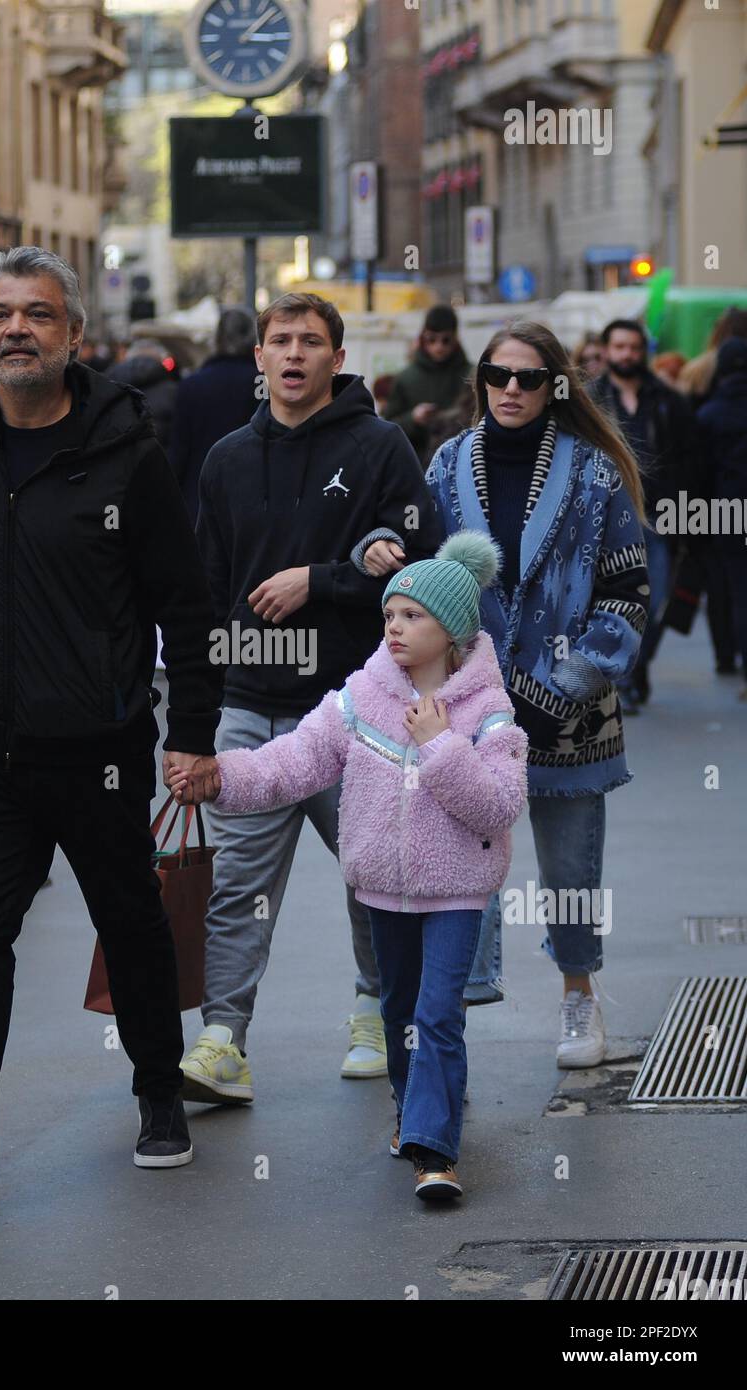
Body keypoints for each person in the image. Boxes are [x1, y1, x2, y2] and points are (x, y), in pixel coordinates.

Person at [0, 246, 222, 1206]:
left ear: (74, 335)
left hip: (98, 746)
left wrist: (191, 732)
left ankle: (158, 1094)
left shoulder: (125, 455)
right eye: (1, 315)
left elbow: (184, 607)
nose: (16, 329)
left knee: (131, 924)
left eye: (38, 314)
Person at [170, 533, 528, 1202]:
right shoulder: (357, 700)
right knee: (399, 1014)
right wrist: (220, 779)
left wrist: (441, 747)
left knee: (438, 1012)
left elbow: (500, 808)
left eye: (412, 616)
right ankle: (410, 1113)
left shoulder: (488, 712)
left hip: (456, 891)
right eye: (389, 615)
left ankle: (434, 1152)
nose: (394, 626)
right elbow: (291, 762)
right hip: (382, 890)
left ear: (451, 630)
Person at [351, 320, 650, 1069]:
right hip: (470, 710)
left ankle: (579, 996)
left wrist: (566, 687)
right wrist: (374, 546)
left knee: (570, 870)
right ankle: (449, 1022)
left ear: (556, 387)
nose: (509, 389)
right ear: (478, 380)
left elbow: (626, 593)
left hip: (573, 719)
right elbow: (416, 559)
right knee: (458, 868)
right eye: (497, 374)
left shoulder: (594, 472)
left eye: (527, 377)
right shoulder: (449, 463)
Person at [184, 291, 441, 1104]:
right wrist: (195, 716)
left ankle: (373, 1012)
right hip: (249, 709)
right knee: (238, 886)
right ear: (258, 357)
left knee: (373, 871)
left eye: (311, 342)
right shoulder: (226, 458)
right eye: (280, 341)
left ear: (337, 357)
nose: (293, 354)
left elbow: (426, 576)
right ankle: (223, 1041)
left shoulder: (380, 447)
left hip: (354, 707)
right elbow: (208, 594)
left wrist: (320, 582)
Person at [591, 319, 695, 713]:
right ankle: (625, 676)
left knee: (656, 602)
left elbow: (689, 457)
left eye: (634, 347)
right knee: (611, 603)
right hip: (605, 520)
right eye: (619, 347)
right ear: (606, 350)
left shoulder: (666, 399)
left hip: (658, 518)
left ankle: (636, 668)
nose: (627, 355)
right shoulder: (591, 400)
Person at [169, 307, 260, 524]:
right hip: (253, 498)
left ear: (217, 339)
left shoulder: (192, 385)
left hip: (199, 498)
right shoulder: (262, 384)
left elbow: (179, 451)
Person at [697, 337, 747, 699]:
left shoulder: (708, 413)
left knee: (731, 587)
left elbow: (700, 470)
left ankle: (729, 655)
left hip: (723, 512)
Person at [382, 305, 473, 467]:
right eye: (432, 339)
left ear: (455, 338)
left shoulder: (471, 375)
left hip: (463, 464)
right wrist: (414, 418)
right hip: (417, 468)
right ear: (423, 338)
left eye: (446, 340)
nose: (438, 347)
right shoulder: (405, 378)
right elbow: (387, 427)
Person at [107, 339, 178, 453]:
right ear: (159, 360)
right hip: (160, 461)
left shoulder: (108, 384)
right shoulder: (173, 391)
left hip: (118, 462)